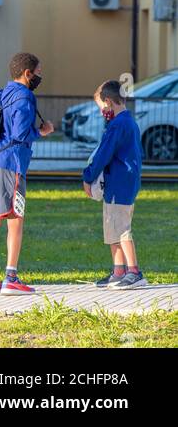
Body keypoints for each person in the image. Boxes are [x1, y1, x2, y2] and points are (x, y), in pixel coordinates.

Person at [0, 52, 52, 296]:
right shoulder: (25, 97)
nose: (40, 76)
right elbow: (20, 134)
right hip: (12, 164)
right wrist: (41, 132)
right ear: (27, 73)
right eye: (38, 72)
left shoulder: (1, 94)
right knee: (15, 218)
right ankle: (11, 277)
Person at [82, 80, 145, 290]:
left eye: (101, 108)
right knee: (112, 228)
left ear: (108, 102)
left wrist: (88, 176)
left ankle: (134, 271)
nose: (102, 112)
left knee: (121, 228)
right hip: (121, 183)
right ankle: (118, 271)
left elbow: (103, 154)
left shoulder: (118, 125)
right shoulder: (127, 121)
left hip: (120, 183)